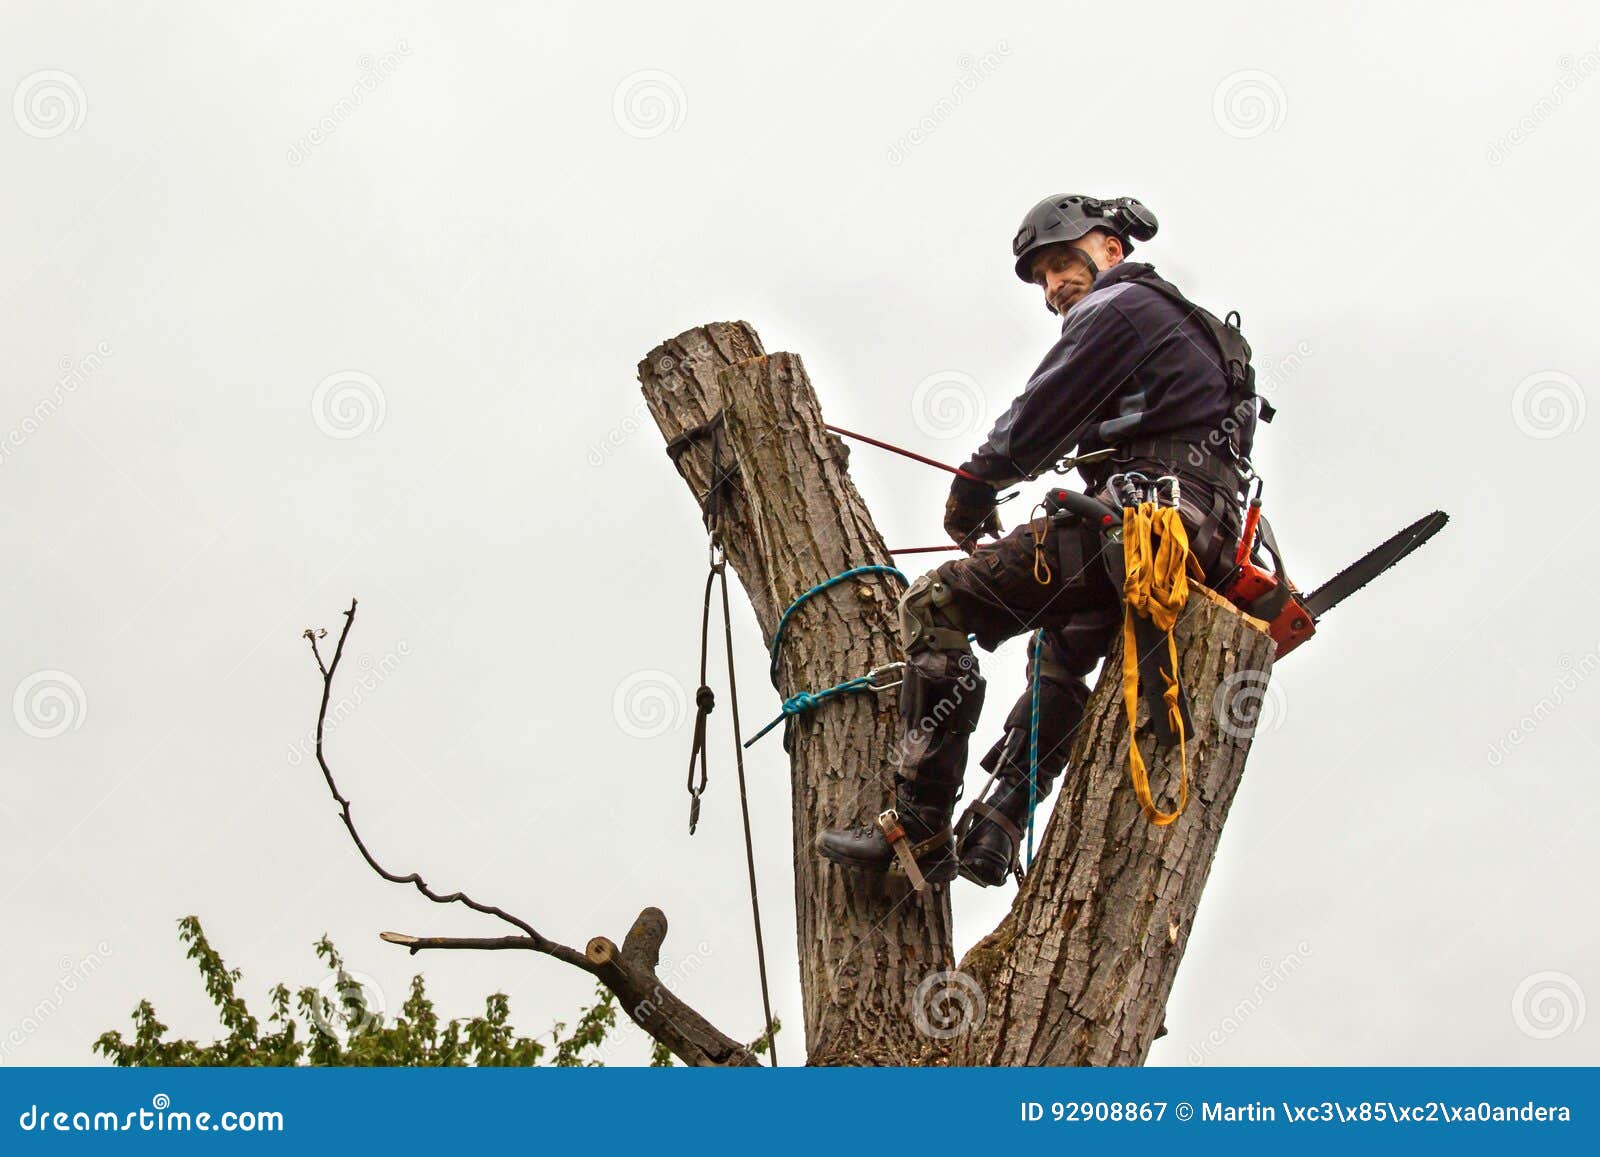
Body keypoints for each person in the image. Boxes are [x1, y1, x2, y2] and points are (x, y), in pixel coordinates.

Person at [817, 193, 1264, 887]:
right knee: (1059, 649)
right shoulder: (1184, 325)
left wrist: (973, 486)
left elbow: (1037, 415)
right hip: (1179, 536)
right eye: (1043, 278)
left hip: (1149, 528)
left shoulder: (1121, 307)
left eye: (1063, 262)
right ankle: (999, 820)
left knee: (934, 603)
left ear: (1112, 249)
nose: (1055, 286)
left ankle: (918, 822)